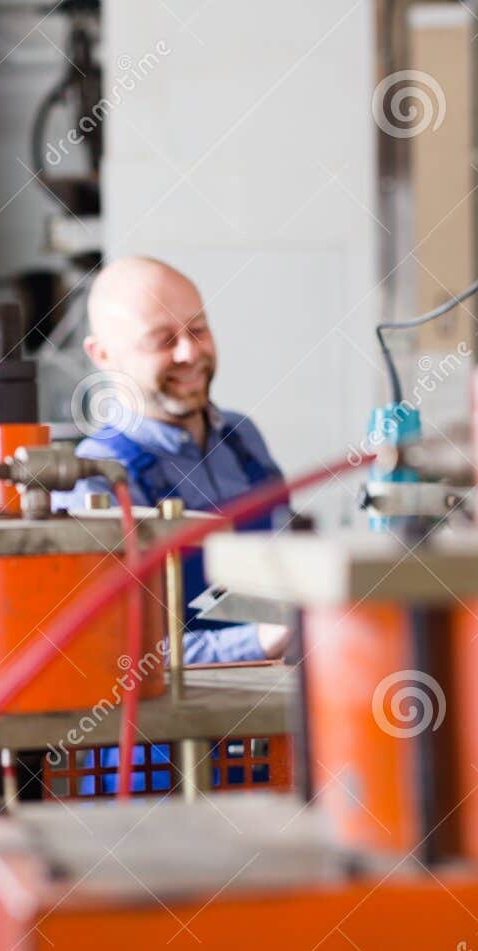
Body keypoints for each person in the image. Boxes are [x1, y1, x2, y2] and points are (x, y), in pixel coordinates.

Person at [64, 255, 289, 663]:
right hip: (181, 722)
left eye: (198, 330)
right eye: (163, 340)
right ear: (102, 355)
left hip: (277, 709)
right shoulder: (94, 481)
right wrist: (259, 641)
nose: (189, 352)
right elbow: (110, 654)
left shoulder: (243, 439)